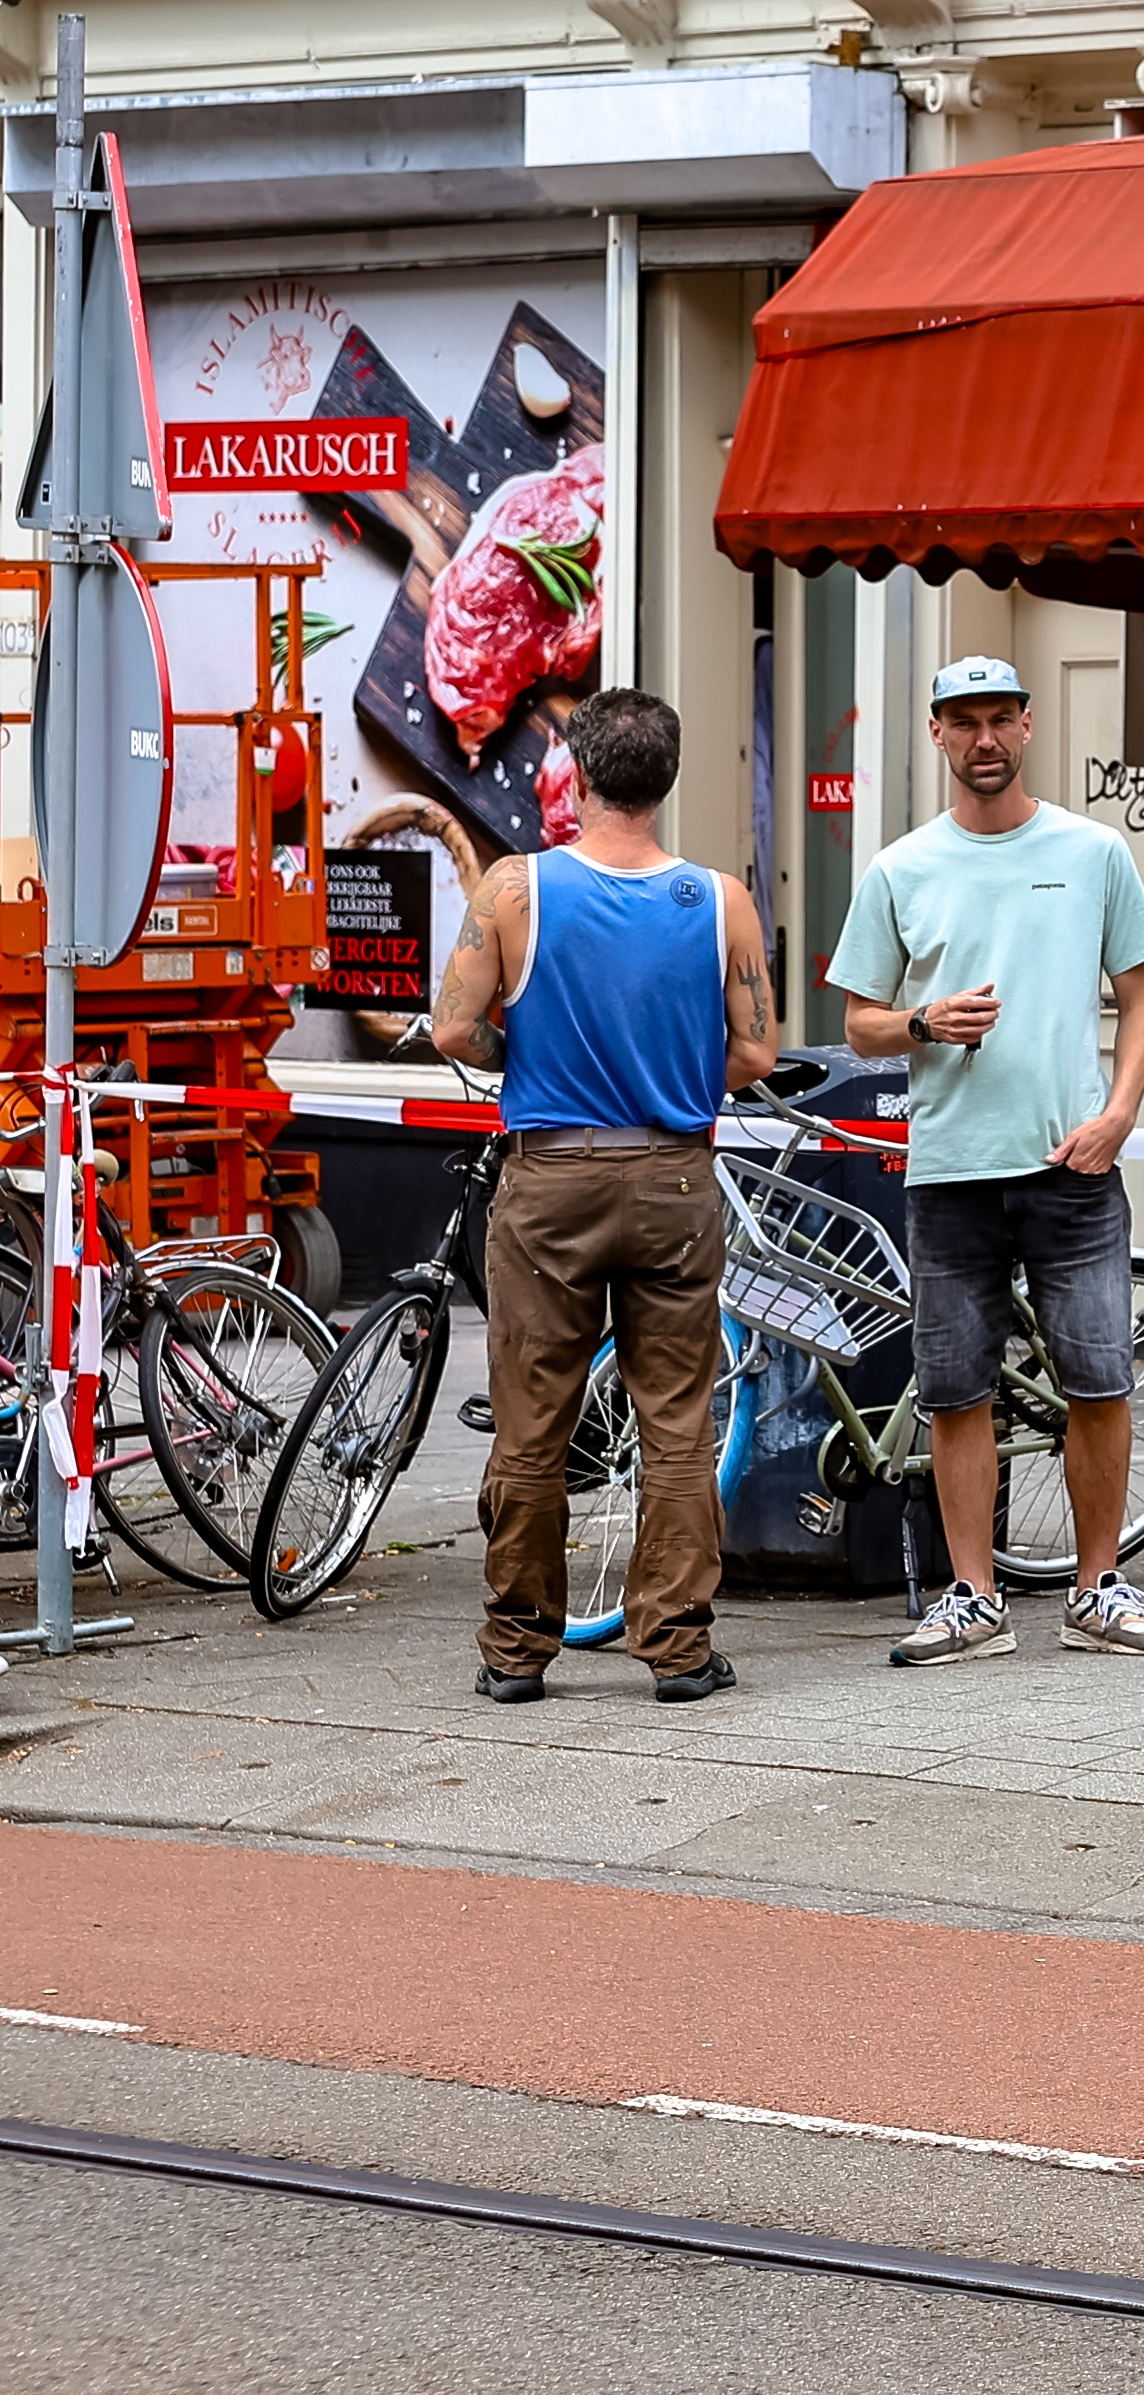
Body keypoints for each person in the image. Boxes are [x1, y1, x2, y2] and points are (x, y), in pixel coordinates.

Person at [428, 685, 772, 1707]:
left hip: (549, 1183)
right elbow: (755, 1048)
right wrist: (670, 1079)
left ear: (575, 773)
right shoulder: (722, 900)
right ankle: (675, 1646)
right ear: (666, 781)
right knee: (675, 1421)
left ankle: (515, 1650)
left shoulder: (512, 891)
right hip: (672, 1174)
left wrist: (520, 1055)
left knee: (534, 1424)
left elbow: (453, 1030)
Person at [833, 656, 1144, 1669]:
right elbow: (858, 1025)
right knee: (955, 1391)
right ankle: (973, 1595)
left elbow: (1142, 997)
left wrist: (1118, 1115)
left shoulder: (1093, 850)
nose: (983, 739)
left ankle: (1097, 1587)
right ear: (936, 735)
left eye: (1000, 719)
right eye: (962, 722)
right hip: (949, 1170)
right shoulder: (900, 868)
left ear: (1028, 727)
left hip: (1072, 1165)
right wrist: (923, 1021)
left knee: (1100, 1379)